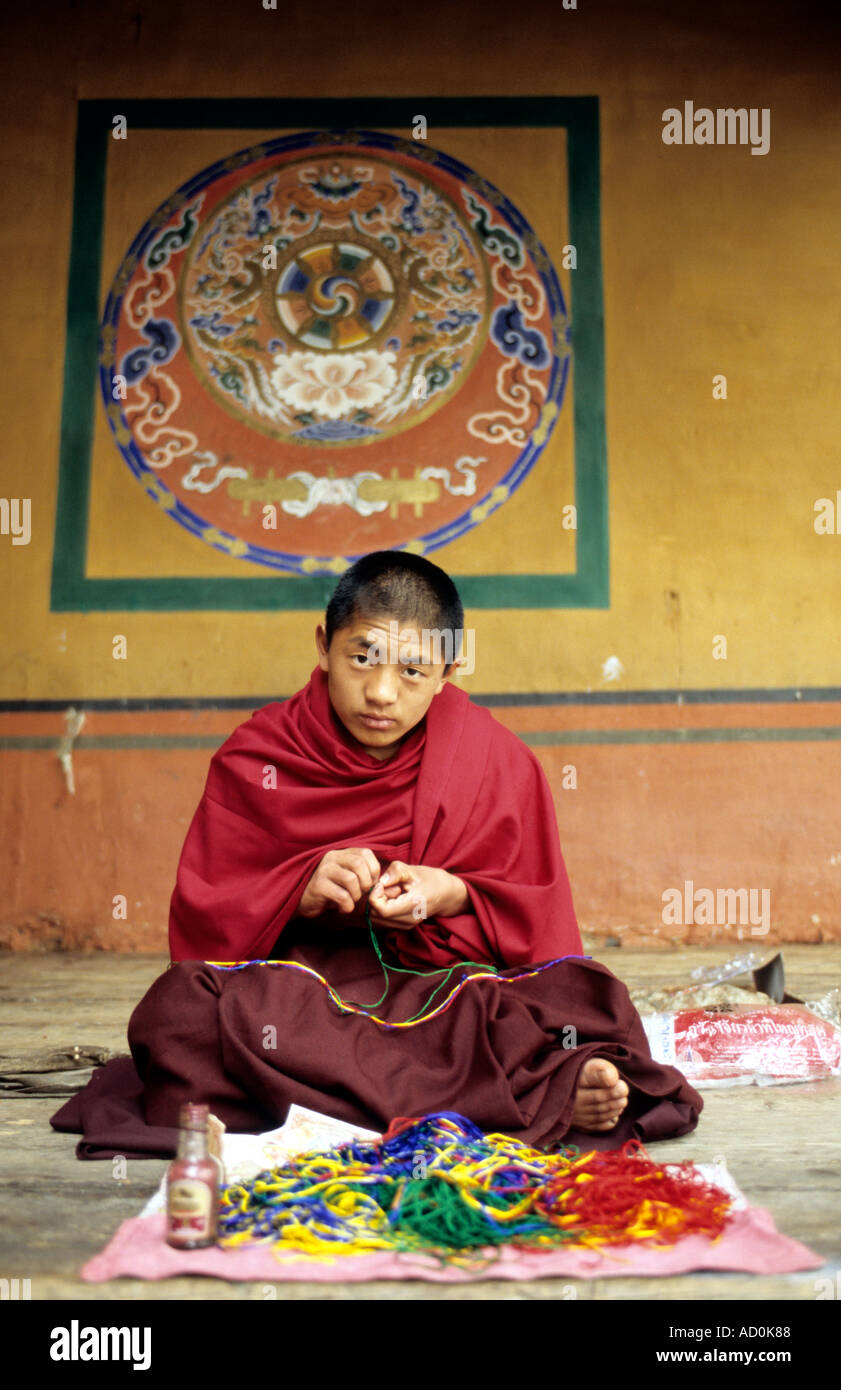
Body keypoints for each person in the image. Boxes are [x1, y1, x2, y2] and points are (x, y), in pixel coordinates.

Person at [117, 549, 702, 1153]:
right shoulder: (261, 754)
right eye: (362, 659)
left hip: (445, 990)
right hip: (304, 997)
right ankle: (529, 1095)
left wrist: (449, 892)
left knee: (587, 1001)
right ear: (323, 645)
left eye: (413, 673)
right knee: (178, 1014)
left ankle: (358, 1108)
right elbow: (206, 922)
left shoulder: (496, 761)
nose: (380, 693)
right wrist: (299, 889)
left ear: (448, 672)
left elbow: (543, 936)